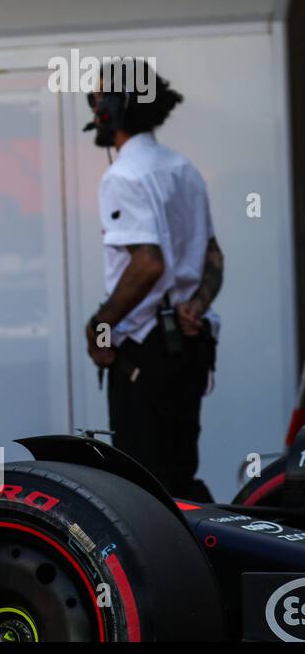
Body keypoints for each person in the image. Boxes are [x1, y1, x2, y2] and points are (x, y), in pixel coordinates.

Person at [83, 58, 221, 501]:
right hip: (190, 346)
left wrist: (99, 326)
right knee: (181, 476)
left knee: (143, 489)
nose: (94, 107)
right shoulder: (184, 168)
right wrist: (195, 307)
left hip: (146, 353)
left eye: (98, 97)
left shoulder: (123, 174)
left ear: (115, 109)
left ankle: (160, 570)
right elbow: (213, 256)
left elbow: (148, 263)